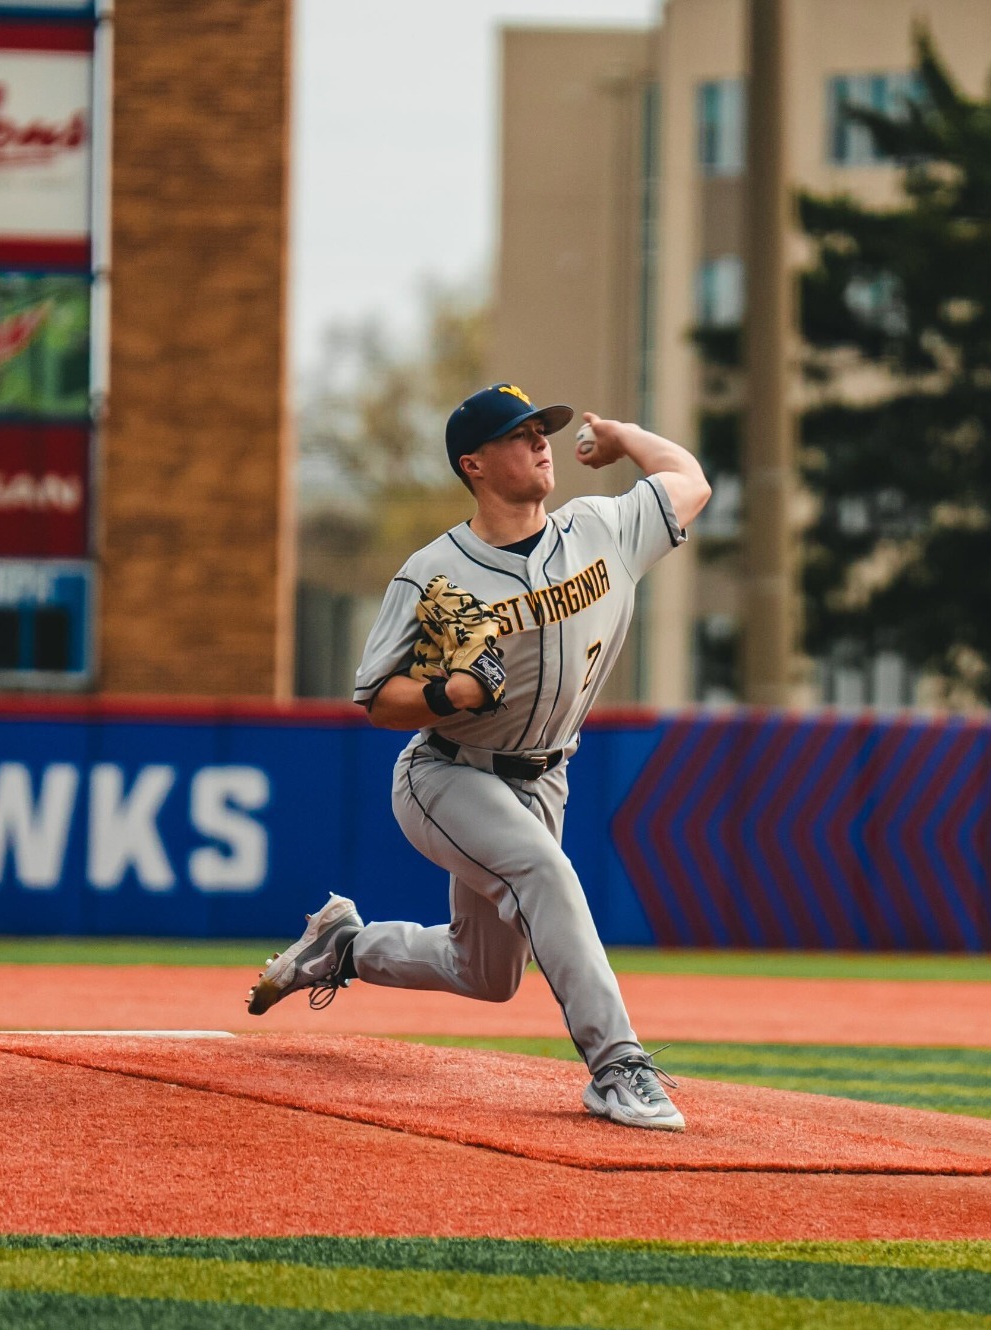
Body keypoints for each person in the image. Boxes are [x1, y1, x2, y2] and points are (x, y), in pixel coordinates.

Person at [245, 382, 710, 1131]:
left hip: (544, 777)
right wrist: (448, 694)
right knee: (546, 871)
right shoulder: (434, 571)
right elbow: (376, 699)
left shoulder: (602, 528)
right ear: (476, 463)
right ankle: (618, 1064)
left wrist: (624, 435)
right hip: (447, 774)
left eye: (543, 430)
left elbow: (690, 481)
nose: (541, 442)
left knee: (487, 973)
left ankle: (345, 948)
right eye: (521, 434)